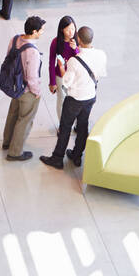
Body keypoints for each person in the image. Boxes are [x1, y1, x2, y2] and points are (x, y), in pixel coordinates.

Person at [41, 25, 107, 170]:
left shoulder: (74, 61)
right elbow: (101, 73)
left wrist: (62, 67)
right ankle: (77, 155)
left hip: (74, 99)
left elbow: (66, 82)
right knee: (83, 126)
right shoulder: (101, 54)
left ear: (78, 39)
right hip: (90, 97)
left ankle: (57, 158)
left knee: (65, 127)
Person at [2, 15, 45, 161]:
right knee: (24, 120)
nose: (42, 33)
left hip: (14, 86)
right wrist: (37, 93)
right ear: (33, 31)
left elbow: (8, 58)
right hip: (26, 90)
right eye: (40, 30)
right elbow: (32, 77)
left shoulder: (14, 39)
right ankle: (15, 152)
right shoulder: (32, 52)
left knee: (13, 113)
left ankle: (7, 142)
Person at [47, 16, 79, 132]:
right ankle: (63, 126)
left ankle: (76, 124)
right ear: (62, 30)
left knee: (76, 101)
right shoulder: (56, 42)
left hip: (75, 76)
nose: (71, 32)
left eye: (73, 28)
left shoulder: (77, 41)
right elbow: (51, 62)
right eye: (67, 30)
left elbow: (82, 58)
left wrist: (75, 49)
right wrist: (52, 82)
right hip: (60, 76)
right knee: (62, 101)